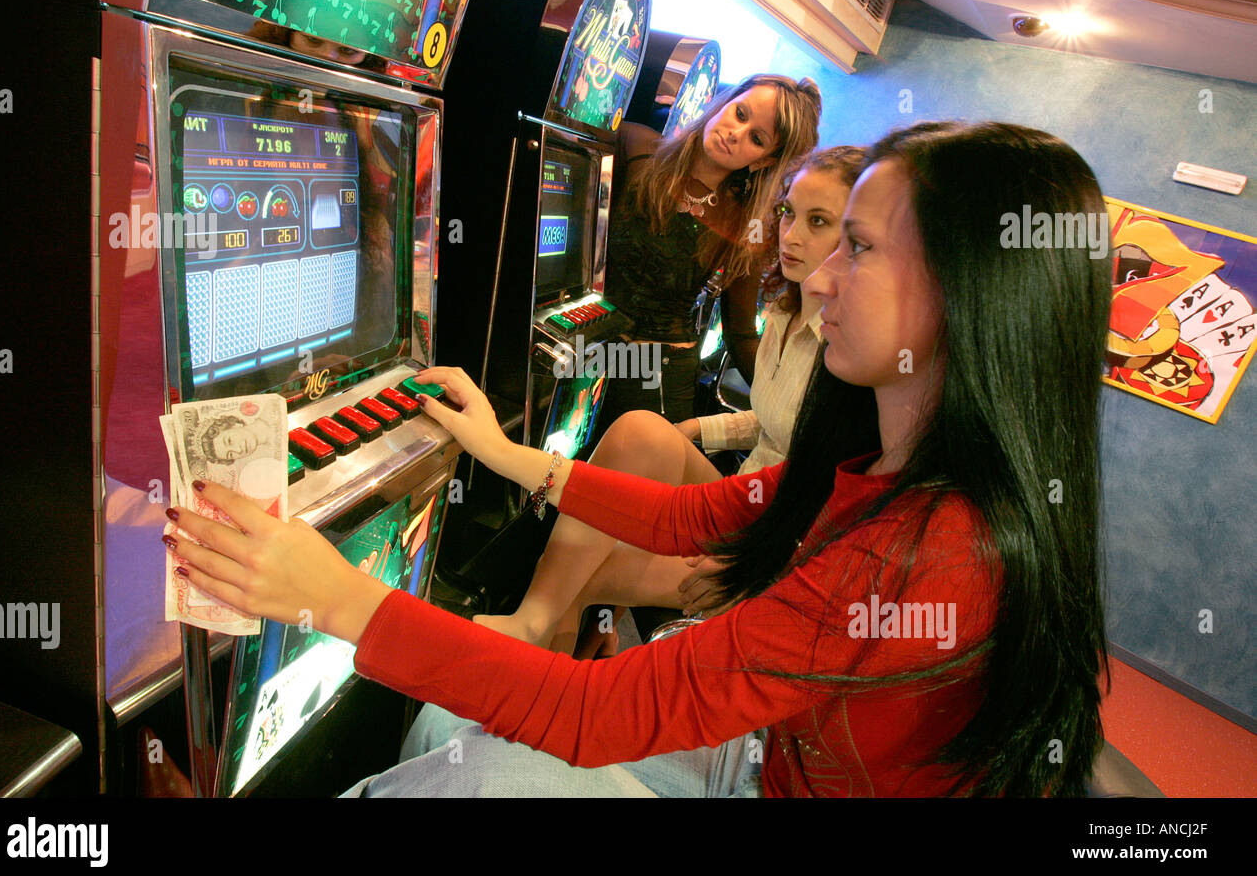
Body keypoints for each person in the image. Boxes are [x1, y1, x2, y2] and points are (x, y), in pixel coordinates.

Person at [166, 120, 1112, 797]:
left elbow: (595, 715)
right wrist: (502, 450)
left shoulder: (936, 549)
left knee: (482, 771)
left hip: (775, 775)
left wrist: (334, 596)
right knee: (458, 729)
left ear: (966, 291)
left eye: (856, 246)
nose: (817, 277)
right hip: (772, 755)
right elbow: (690, 516)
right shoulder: (878, 456)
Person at [474, 146, 867, 653]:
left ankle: (555, 669)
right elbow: (779, 422)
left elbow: (848, 499)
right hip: (741, 501)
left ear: (862, 237)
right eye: (788, 211)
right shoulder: (789, 309)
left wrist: (755, 558)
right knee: (641, 431)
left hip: (780, 549)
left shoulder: (857, 351)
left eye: (819, 221)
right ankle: (549, 636)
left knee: (587, 567)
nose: (790, 235)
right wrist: (698, 431)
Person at [599, 74, 822, 425]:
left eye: (756, 138)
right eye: (740, 114)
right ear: (723, 104)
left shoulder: (748, 229)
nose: (736, 133)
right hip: (586, 348)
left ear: (763, 161)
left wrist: (793, 413)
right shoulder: (637, 146)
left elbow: (742, 335)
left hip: (656, 372)